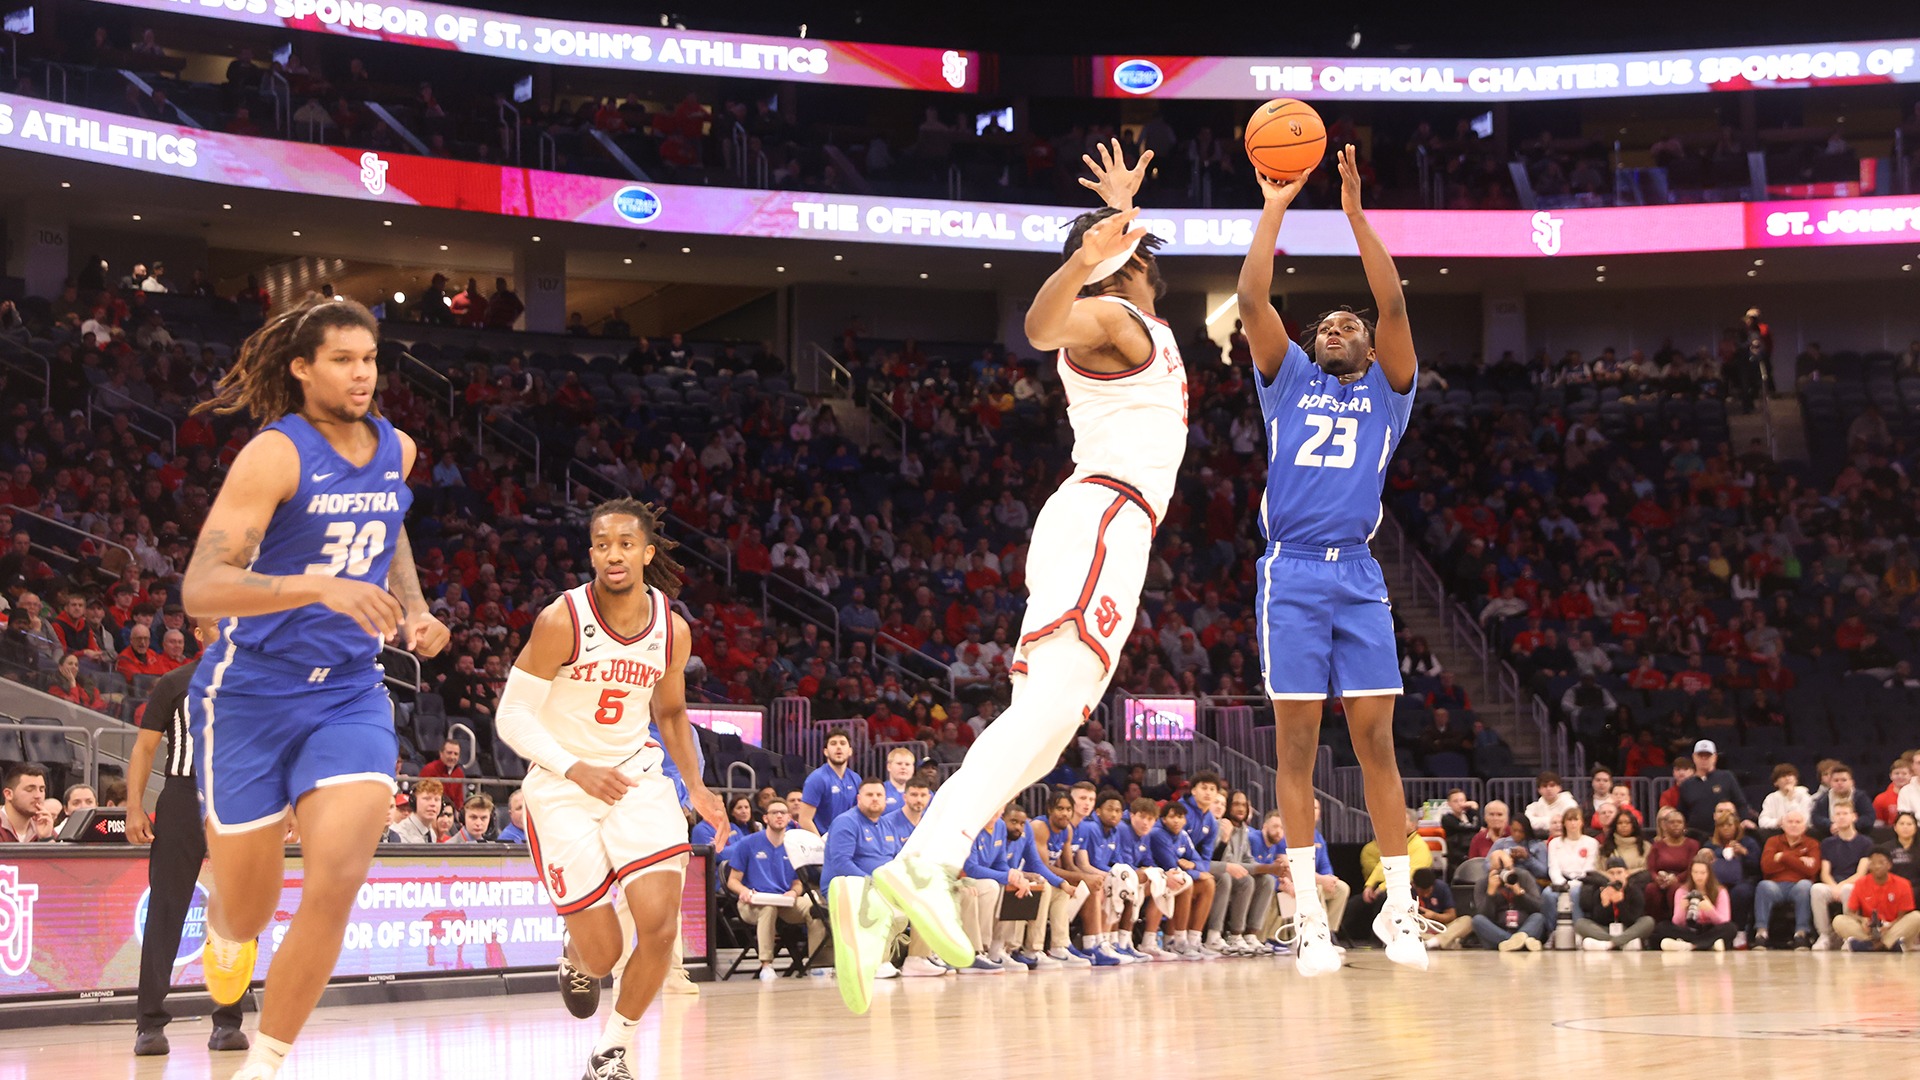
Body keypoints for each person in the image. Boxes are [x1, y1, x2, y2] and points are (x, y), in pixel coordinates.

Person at [830, 141, 1192, 1011]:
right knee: (1042, 719)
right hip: (1104, 519)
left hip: (1103, 525)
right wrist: (1089, 255)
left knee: (1046, 736)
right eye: (1138, 249)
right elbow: (1034, 329)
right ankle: (926, 859)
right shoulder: (1111, 315)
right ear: (1126, 259)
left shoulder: (1147, 330)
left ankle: (876, 902)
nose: (1149, 261)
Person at [178, 297, 449, 1080]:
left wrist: (418, 607)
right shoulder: (274, 454)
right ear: (302, 368)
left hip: (350, 693)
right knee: (250, 907)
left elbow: (388, 524)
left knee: (336, 877)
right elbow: (202, 588)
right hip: (250, 694)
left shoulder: (396, 448)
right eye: (343, 359)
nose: (362, 373)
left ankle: (265, 1062)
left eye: (369, 358)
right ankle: (227, 932)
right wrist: (317, 586)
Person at [1234, 145, 1423, 975]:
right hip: (1293, 571)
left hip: (1359, 571)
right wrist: (1276, 203)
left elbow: (1390, 296)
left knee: (1378, 741)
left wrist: (1352, 210)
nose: (1337, 328)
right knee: (1299, 744)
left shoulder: (1391, 389)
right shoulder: (1287, 380)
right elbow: (1250, 296)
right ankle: (1309, 916)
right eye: (1326, 326)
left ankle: (1402, 913)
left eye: (1349, 324)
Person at [493, 498, 721, 1080]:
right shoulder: (561, 619)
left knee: (660, 928)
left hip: (637, 777)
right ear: (591, 551)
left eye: (625, 544)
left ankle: (611, 1050)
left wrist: (695, 785)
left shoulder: (671, 630)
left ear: (647, 553)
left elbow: (670, 714)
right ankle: (576, 955)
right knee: (602, 955)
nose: (612, 554)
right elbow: (512, 716)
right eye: (601, 544)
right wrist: (574, 768)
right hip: (562, 785)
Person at [725, 799, 820, 981]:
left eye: (783, 813)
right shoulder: (748, 843)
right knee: (768, 909)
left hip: (784, 901)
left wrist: (793, 893)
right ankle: (766, 965)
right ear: (765, 818)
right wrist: (744, 891)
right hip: (753, 902)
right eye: (774, 812)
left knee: (814, 907)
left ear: (789, 818)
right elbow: (733, 881)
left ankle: (817, 963)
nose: (779, 816)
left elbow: (797, 883)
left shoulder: (793, 846)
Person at [1811, 804, 1873, 949]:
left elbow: (1861, 874)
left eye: (1845, 813)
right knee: (1816, 889)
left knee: (1847, 890)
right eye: (1838, 814)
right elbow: (1825, 873)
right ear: (1833, 818)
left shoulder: (1865, 842)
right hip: (1833, 884)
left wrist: (1841, 886)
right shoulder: (1827, 843)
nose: (1841, 817)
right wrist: (1834, 887)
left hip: (1854, 885)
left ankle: (1848, 936)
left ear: (1853, 817)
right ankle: (1824, 935)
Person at [1755, 809, 1820, 949]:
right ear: (1782, 825)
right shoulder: (1772, 841)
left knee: (1805, 886)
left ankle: (1801, 934)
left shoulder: (1812, 844)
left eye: (1798, 822)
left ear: (1805, 826)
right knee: (1763, 886)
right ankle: (1761, 933)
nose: (1794, 825)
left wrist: (1783, 857)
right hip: (1775, 886)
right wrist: (1799, 861)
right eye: (1790, 822)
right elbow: (1767, 867)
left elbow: (1812, 870)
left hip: (1798, 886)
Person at [1834, 849, 1920, 951]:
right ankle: (1886, 946)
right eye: (1873, 863)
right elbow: (1851, 912)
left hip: (1892, 928)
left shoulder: (1903, 884)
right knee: (1838, 920)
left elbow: (1903, 915)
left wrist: (1889, 925)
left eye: (1881, 863)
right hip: (1869, 931)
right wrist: (1862, 921)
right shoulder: (1860, 883)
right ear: (1869, 866)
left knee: (1916, 917)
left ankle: (1873, 946)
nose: (1877, 866)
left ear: (1889, 865)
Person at [1654, 852, 1738, 951]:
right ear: (1691, 873)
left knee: (1731, 928)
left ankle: (1690, 945)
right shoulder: (1682, 891)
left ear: (1709, 874)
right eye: (1695, 872)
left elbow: (1724, 920)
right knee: (1662, 927)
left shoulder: (1720, 891)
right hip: (1690, 929)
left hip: (1712, 928)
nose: (1699, 876)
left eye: (1703, 873)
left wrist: (1710, 910)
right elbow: (1677, 922)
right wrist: (1682, 909)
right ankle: (1708, 944)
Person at [1544, 807, 1599, 944]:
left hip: (1583, 881)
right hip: (1560, 881)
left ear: (1581, 822)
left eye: (1576, 819)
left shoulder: (1591, 843)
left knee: (1575, 893)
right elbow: (1553, 866)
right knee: (1548, 895)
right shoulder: (1555, 843)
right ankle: (1552, 932)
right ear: (1564, 823)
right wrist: (1561, 883)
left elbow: (1590, 867)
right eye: (1569, 820)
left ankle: (1579, 933)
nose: (1573, 823)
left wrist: (1574, 883)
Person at [1676, 740, 1754, 835]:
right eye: (1700, 756)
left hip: (1724, 834)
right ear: (1694, 757)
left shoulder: (1726, 777)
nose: (1704, 759)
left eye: (1707, 756)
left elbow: (1740, 803)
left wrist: (1745, 819)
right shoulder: (1687, 784)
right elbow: (1682, 812)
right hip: (1695, 834)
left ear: (1715, 757)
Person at [1576, 856, 1654, 950]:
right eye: (1611, 873)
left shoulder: (1634, 890)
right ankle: (1622, 943)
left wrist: (1620, 903)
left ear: (1626, 874)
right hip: (1607, 930)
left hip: (1627, 929)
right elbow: (1599, 920)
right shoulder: (1601, 891)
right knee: (1580, 923)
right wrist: (1605, 904)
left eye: (1619, 872)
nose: (1616, 877)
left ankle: (1609, 944)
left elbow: (1632, 919)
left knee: (1648, 921)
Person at [796, 730, 860, 834]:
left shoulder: (856, 779)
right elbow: (804, 820)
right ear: (825, 751)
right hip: (821, 840)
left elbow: (858, 815)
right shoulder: (816, 779)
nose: (838, 747)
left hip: (845, 839)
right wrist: (822, 844)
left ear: (850, 751)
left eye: (843, 743)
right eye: (833, 743)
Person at [1644, 807, 1701, 922]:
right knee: (1651, 889)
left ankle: (1677, 924)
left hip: (1683, 880)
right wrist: (1657, 878)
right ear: (1665, 825)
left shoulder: (1692, 844)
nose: (1675, 825)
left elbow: (1692, 867)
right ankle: (1654, 927)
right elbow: (1650, 868)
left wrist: (1676, 878)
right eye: (1672, 822)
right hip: (1661, 880)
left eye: (1679, 822)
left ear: (1684, 826)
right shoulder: (1657, 845)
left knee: (1675, 889)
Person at [1474, 862, 1546, 952]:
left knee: (1539, 917)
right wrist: (1490, 893)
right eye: (1499, 867)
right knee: (1478, 920)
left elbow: (1538, 907)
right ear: (1491, 868)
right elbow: (1484, 914)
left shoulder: (1523, 876)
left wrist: (1520, 893)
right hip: (1499, 929)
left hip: (1524, 925)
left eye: (1507, 867)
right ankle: (1522, 941)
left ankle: (1511, 942)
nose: (1503, 871)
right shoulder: (1483, 882)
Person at [1523, 772, 1580, 838]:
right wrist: (1555, 821)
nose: (1548, 789)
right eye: (1544, 786)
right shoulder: (1532, 807)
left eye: (1552, 785)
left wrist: (1539, 820)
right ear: (1539, 790)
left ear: (1559, 787)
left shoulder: (1570, 804)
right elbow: (1527, 824)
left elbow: (1570, 824)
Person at [1758, 764, 1812, 830]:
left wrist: (1791, 799)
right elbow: (1762, 821)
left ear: (1796, 780)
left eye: (1790, 775)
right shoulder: (1771, 798)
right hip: (1778, 832)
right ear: (1776, 782)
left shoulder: (1804, 795)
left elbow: (1806, 821)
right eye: (1783, 776)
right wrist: (1777, 822)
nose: (1787, 778)